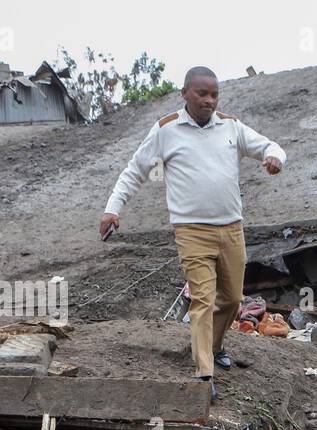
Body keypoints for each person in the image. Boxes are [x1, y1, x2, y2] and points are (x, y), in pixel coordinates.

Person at [99, 67, 285, 398]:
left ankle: (213, 347)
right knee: (202, 299)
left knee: (231, 299)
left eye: (214, 94)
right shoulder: (166, 130)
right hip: (191, 230)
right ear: (184, 93)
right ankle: (203, 375)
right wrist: (113, 209)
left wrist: (274, 157)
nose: (209, 101)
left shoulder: (231, 127)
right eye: (202, 94)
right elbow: (135, 170)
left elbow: (270, 145)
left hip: (231, 229)